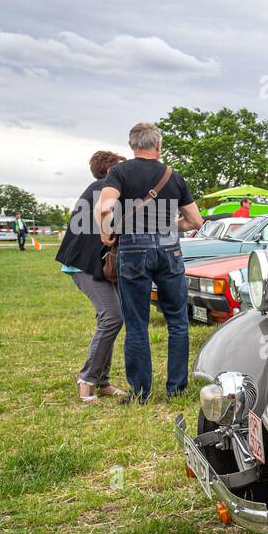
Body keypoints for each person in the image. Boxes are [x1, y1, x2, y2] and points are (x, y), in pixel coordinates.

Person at [97, 121, 202, 404]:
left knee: (137, 322)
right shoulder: (173, 176)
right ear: (158, 145)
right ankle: (176, 389)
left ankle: (141, 393)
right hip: (170, 250)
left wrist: (106, 231)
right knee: (178, 321)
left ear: (132, 146)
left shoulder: (119, 172)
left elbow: (106, 206)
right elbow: (195, 220)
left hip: (133, 251)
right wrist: (170, 226)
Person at [56, 151, 127, 404]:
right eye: (121, 168)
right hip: (84, 266)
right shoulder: (103, 189)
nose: (126, 172)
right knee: (112, 317)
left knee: (109, 317)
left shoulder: (105, 189)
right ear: (109, 170)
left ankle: (102, 380)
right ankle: (87, 379)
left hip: (94, 265)